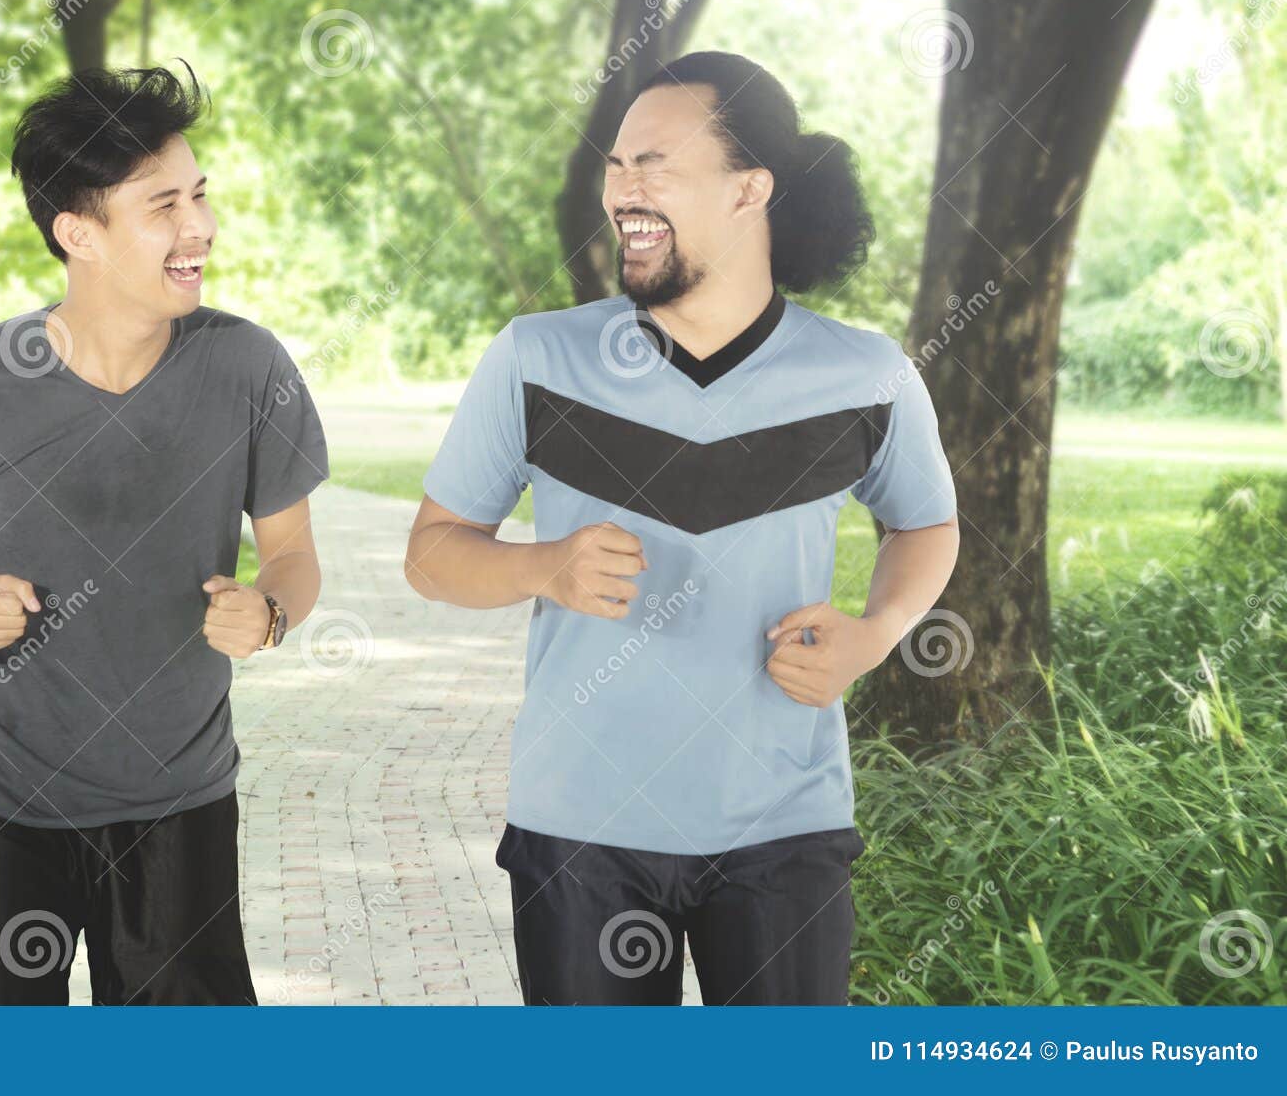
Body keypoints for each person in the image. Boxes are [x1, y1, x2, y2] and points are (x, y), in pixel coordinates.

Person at [404, 51, 959, 1005]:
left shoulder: (865, 373)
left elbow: (928, 526)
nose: (623, 188)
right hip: (581, 829)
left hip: (786, 828)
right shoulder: (536, 357)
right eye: (616, 165)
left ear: (752, 189)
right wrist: (546, 567)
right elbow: (431, 554)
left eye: (654, 162)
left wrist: (873, 636)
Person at [0, 64, 328, 1005]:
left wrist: (271, 615)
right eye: (164, 205)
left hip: (178, 795)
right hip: (1, 791)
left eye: (202, 196)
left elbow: (293, 553)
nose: (201, 228)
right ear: (77, 232)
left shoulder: (249, 366)